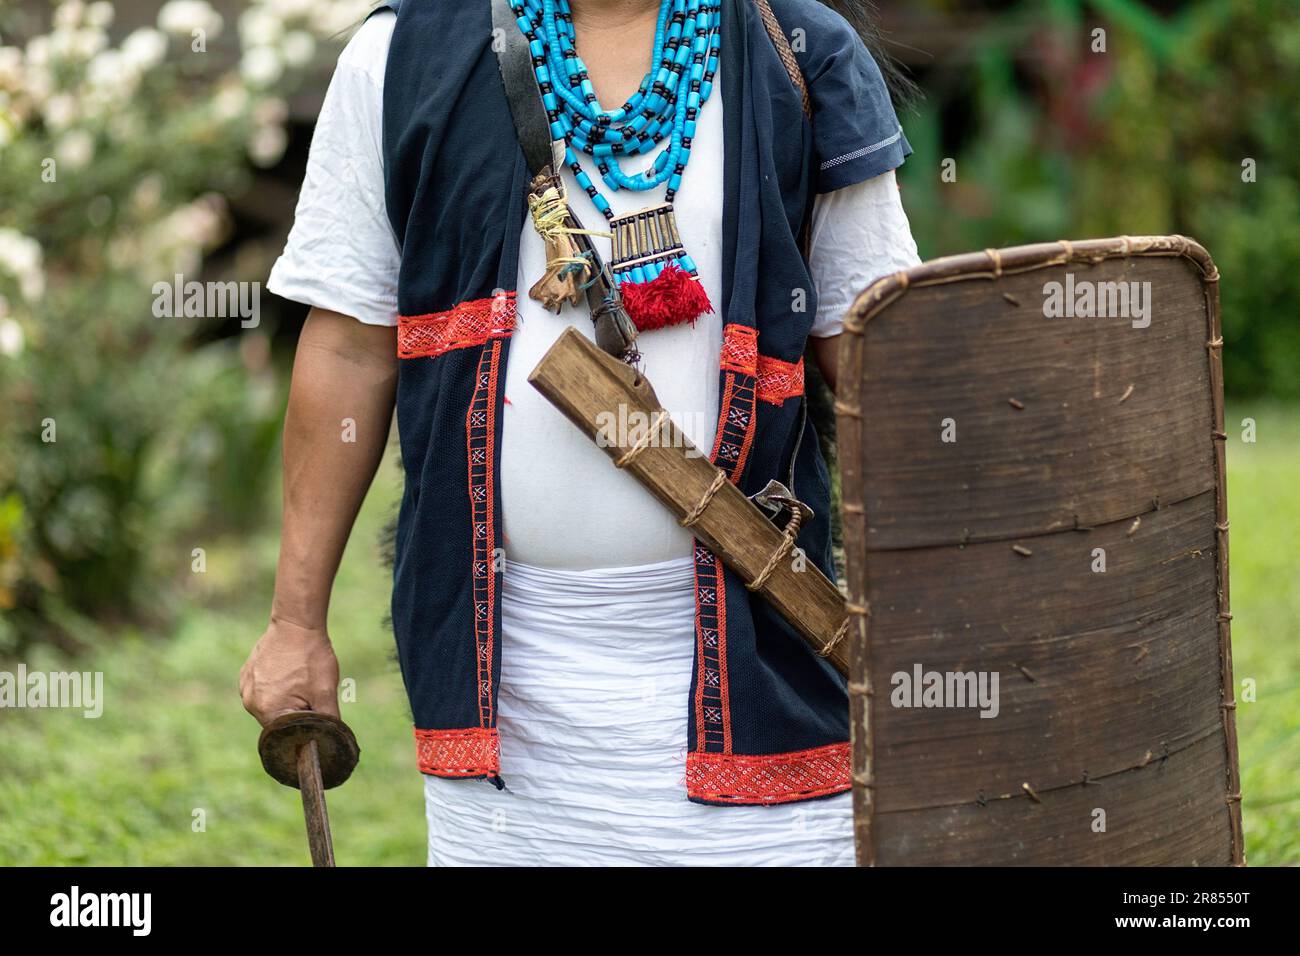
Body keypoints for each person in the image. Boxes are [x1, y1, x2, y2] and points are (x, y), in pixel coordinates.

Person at [241, 0, 921, 866]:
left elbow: (884, 357)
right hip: (506, 689)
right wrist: (296, 624)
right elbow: (347, 346)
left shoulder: (797, 51)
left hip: (762, 670)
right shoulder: (401, 56)